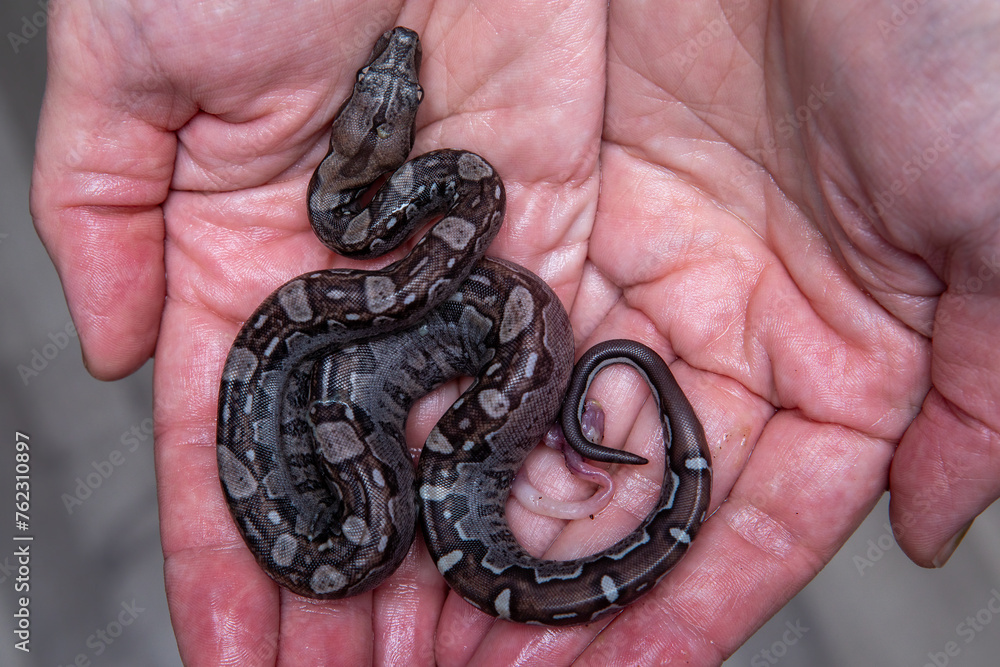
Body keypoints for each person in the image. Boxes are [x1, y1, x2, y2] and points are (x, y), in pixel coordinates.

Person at [30, 1, 1000, 664]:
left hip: (408, 376)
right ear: (383, 142)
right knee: (381, 467)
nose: (395, 66)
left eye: (390, 87)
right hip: (403, 407)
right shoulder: (446, 213)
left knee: (406, 391)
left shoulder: (402, 228)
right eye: (386, 84)